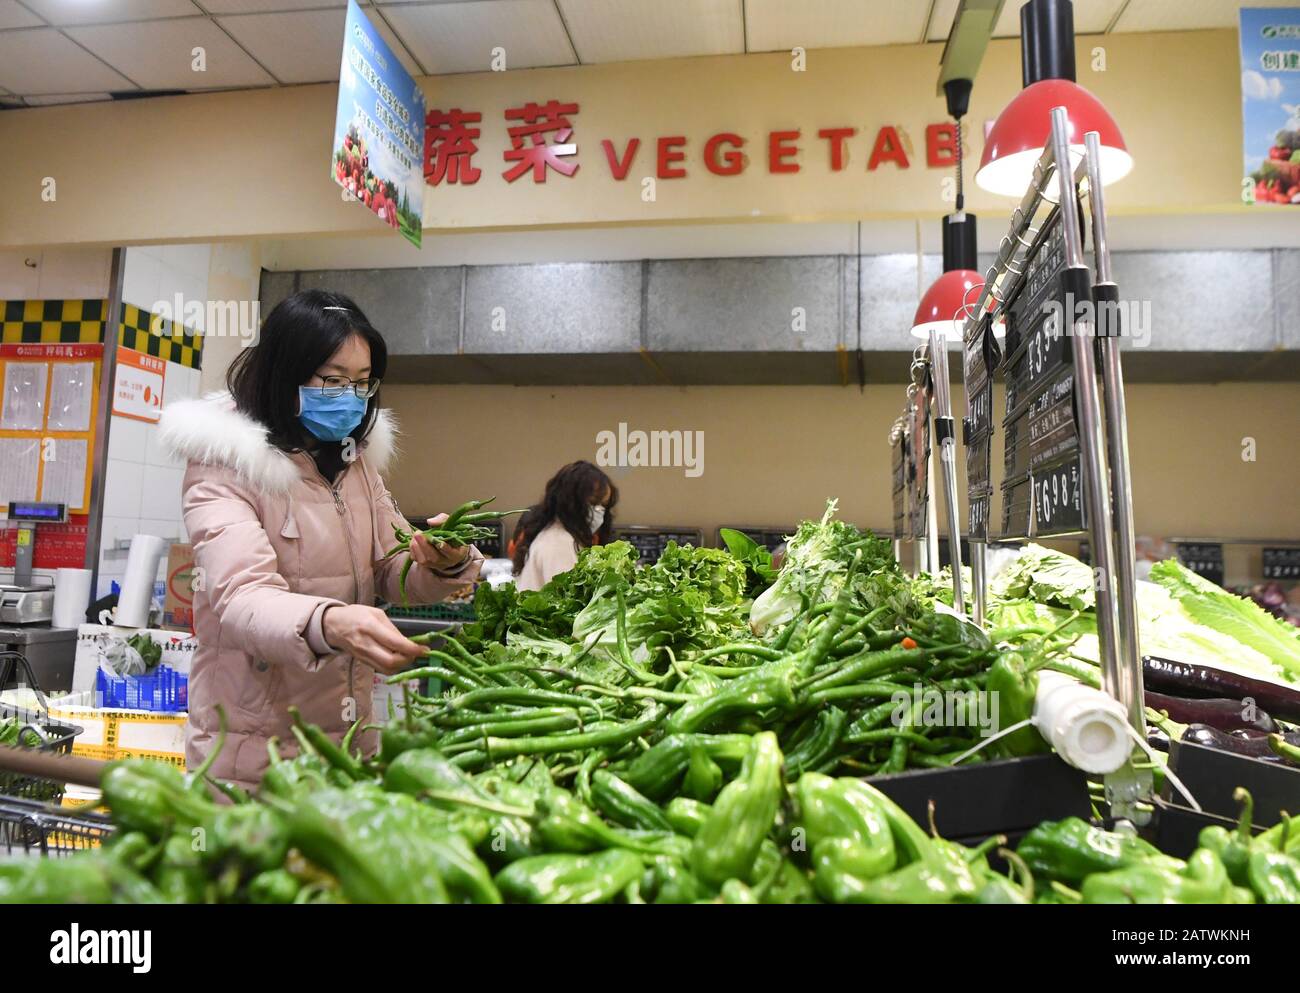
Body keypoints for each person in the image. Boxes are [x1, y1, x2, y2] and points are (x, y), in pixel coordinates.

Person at [160, 289, 482, 790]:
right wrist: (328, 622)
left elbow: (391, 568)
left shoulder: (354, 465)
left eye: (361, 383)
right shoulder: (226, 464)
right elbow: (240, 598)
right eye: (332, 381)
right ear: (285, 372)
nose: (350, 398)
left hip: (350, 742)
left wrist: (441, 563)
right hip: (256, 754)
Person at [511, 461, 617, 592]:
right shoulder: (559, 543)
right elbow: (571, 601)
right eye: (594, 502)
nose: (599, 510)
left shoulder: (553, 533)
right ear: (570, 500)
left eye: (604, 505)